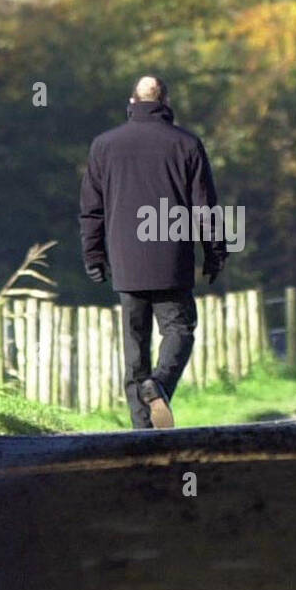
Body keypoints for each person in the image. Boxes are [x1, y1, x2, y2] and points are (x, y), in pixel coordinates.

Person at [79, 75, 227, 429]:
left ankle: (141, 426)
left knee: (134, 343)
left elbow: (91, 208)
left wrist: (93, 255)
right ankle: (159, 382)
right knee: (179, 329)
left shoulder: (104, 145)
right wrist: (215, 251)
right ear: (167, 102)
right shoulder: (187, 144)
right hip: (171, 259)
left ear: (132, 102)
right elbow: (205, 206)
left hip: (125, 261)